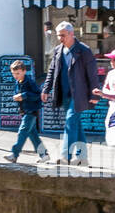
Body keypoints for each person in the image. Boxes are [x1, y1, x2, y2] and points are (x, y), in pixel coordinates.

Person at [41, 20, 100, 166]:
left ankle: (65, 156)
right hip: (64, 93)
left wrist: (95, 95)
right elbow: (51, 71)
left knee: (70, 122)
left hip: (79, 94)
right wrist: (46, 89)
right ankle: (82, 157)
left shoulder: (84, 51)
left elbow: (93, 74)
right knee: (76, 124)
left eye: (63, 35)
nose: (60, 38)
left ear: (72, 34)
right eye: (58, 35)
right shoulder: (58, 50)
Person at [4, 59, 49, 163]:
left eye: (18, 73)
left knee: (22, 132)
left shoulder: (29, 82)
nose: (15, 76)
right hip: (25, 112)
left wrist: (23, 96)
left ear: (24, 71)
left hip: (31, 112)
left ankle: (14, 154)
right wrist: (17, 96)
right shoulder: (18, 82)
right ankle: (44, 155)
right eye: (13, 74)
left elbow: (38, 95)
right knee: (33, 135)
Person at [92, 49, 115, 170]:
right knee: (113, 136)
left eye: (113, 59)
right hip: (113, 107)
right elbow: (107, 89)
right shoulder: (111, 74)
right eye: (111, 59)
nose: (111, 62)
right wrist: (104, 94)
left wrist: (104, 94)